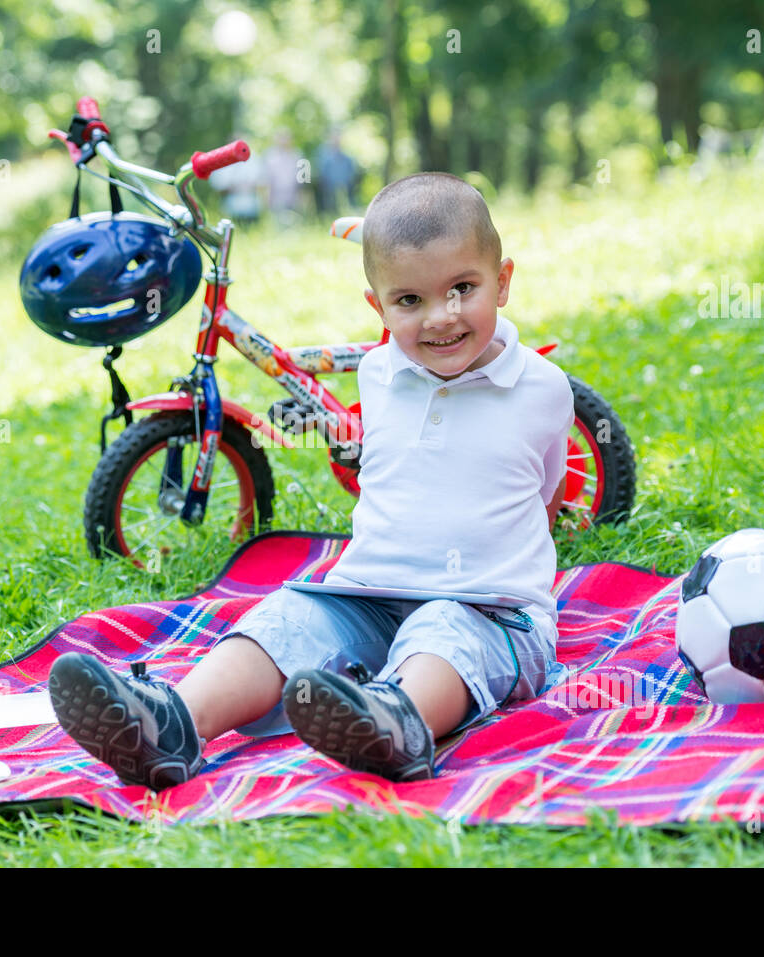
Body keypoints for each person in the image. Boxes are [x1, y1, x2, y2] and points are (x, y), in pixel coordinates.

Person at [49, 172, 575, 790]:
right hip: (370, 592)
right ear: (377, 307)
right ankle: (171, 724)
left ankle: (397, 722)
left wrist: (500, 575)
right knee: (287, 617)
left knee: (444, 633)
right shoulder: (379, 373)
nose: (441, 317)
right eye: (410, 301)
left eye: (463, 288)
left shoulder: (541, 390)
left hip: (493, 610)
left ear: (503, 282)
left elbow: (547, 496)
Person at [207, 131, 266, 224]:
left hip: (251, 207)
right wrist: (233, 187)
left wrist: (248, 186)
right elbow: (218, 187)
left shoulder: (254, 159)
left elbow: (261, 183)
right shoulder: (221, 160)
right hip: (230, 207)